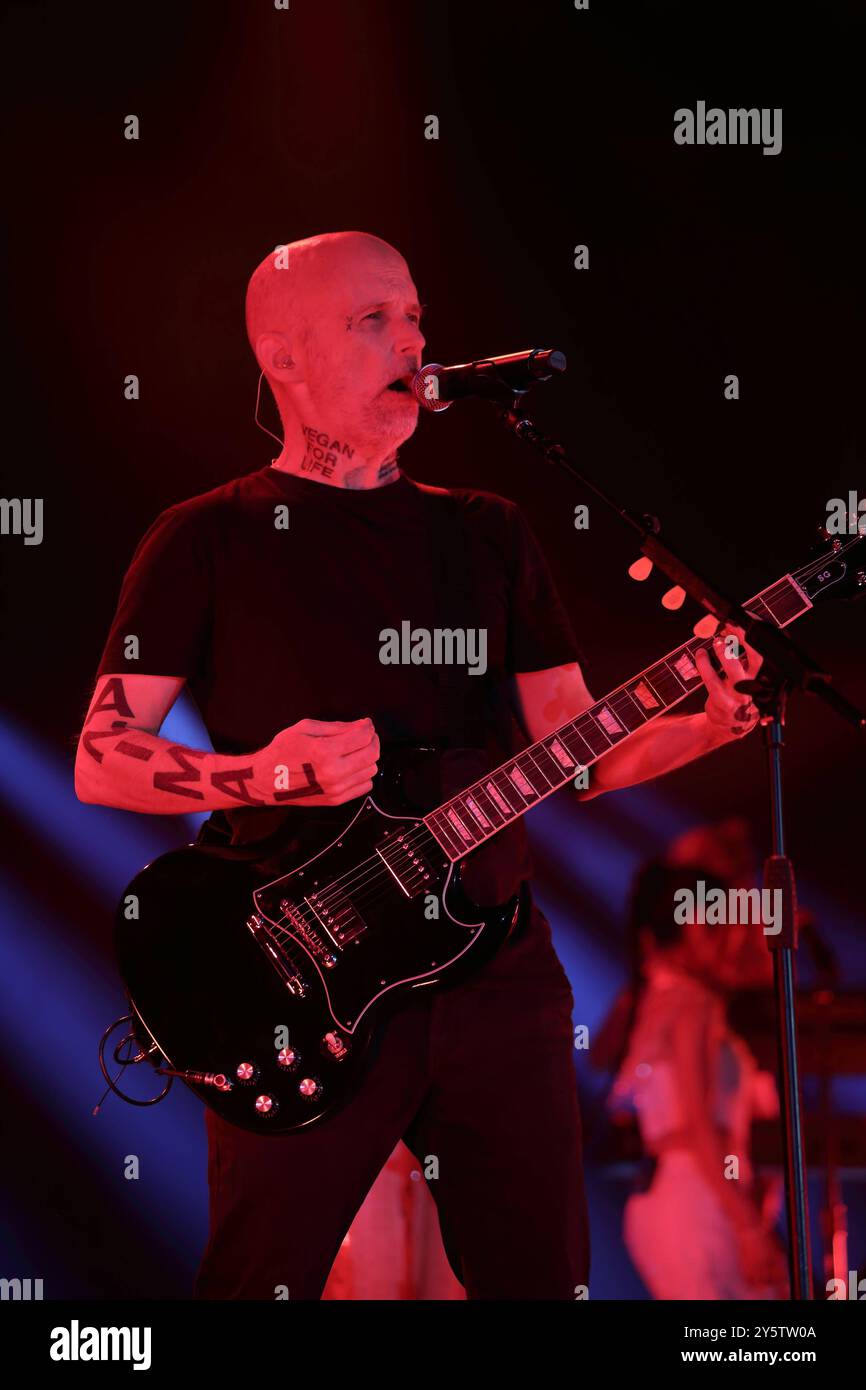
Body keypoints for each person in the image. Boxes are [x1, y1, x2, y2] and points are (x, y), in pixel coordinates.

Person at [75, 230, 764, 1300]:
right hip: (293, 975)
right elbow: (101, 757)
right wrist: (259, 774)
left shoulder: (486, 532)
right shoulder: (204, 538)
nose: (415, 342)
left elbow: (570, 751)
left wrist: (706, 724)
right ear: (284, 358)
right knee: (260, 1277)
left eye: (416, 317)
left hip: (494, 966)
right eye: (373, 321)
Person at [608, 858, 787, 1300]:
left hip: (676, 1193)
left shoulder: (659, 1000)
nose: (732, 940)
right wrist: (746, 1224)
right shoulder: (692, 1003)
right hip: (698, 1196)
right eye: (720, 926)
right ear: (693, 928)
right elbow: (697, 1123)